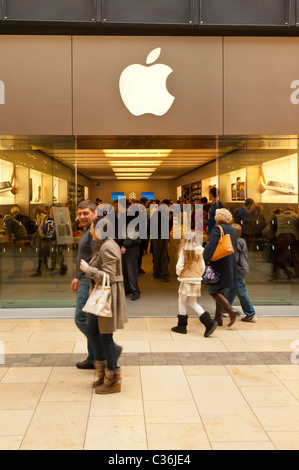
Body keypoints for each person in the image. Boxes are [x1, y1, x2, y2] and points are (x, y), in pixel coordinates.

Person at [80, 216, 127, 394]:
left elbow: (109, 275)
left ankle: (113, 378)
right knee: (93, 331)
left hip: (108, 297)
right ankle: (102, 371)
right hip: (102, 295)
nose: (90, 230)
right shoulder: (104, 244)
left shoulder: (108, 246)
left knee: (106, 337)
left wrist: (87, 270)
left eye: (92, 227)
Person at [171, 231, 217, 337]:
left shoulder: (184, 250)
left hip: (186, 280)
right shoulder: (200, 251)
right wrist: (198, 276)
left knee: (181, 301)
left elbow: (179, 265)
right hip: (196, 279)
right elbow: (202, 267)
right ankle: (209, 322)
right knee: (193, 303)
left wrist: (179, 274)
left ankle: (182, 326)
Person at [71, 200, 97, 369]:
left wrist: (91, 284)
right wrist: (77, 276)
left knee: (81, 318)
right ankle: (93, 357)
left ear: (94, 213)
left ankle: (104, 348)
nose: (82, 217)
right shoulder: (88, 231)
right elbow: (84, 256)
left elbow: (96, 259)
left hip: (90, 281)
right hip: (84, 279)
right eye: (79, 214)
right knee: (88, 320)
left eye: (86, 213)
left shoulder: (95, 233)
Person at [203, 208, 239, 327]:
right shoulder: (233, 230)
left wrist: (205, 260)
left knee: (213, 290)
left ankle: (230, 310)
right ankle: (218, 317)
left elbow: (211, 246)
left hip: (218, 263)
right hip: (229, 263)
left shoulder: (217, 229)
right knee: (221, 290)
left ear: (217, 218)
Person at [225, 223, 256, 322]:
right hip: (242, 269)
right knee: (232, 290)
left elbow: (234, 259)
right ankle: (225, 308)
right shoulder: (242, 241)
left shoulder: (235, 243)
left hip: (237, 271)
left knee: (241, 292)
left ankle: (250, 313)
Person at [114, 199, 141, 300]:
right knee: (123, 269)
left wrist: (125, 245)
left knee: (131, 269)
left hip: (131, 246)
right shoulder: (117, 216)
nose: (115, 207)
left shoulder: (130, 216)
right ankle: (127, 288)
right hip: (121, 246)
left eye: (117, 205)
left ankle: (135, 291)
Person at [270, 207, 299, 281]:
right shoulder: (296, 216)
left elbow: (276, 227)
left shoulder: (280, 216)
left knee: (276, 256)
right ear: (293, 211)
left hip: (280, 237)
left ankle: (275, 276)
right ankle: (293, 273)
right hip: (291, 237)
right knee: (294, 255)